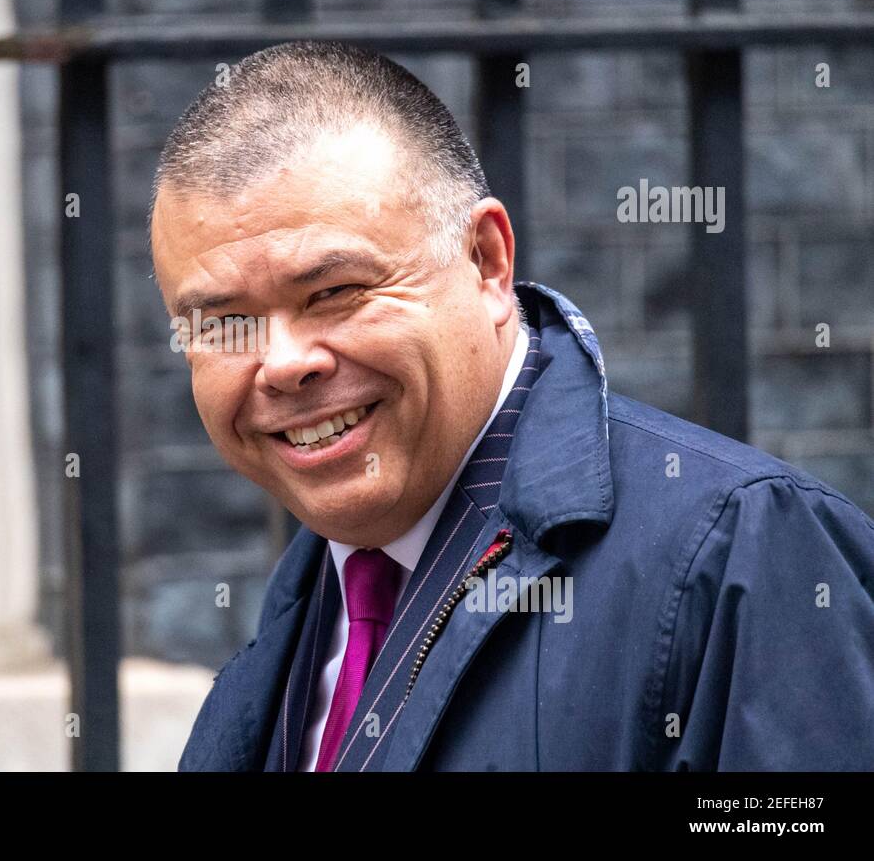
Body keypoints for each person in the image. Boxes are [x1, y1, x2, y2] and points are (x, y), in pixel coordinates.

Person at [148, 40, 874, 771]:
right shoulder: (308, 600)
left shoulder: (745, 551)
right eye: (225, 324)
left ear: (488, 262)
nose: (283, 364)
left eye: (335, 292)